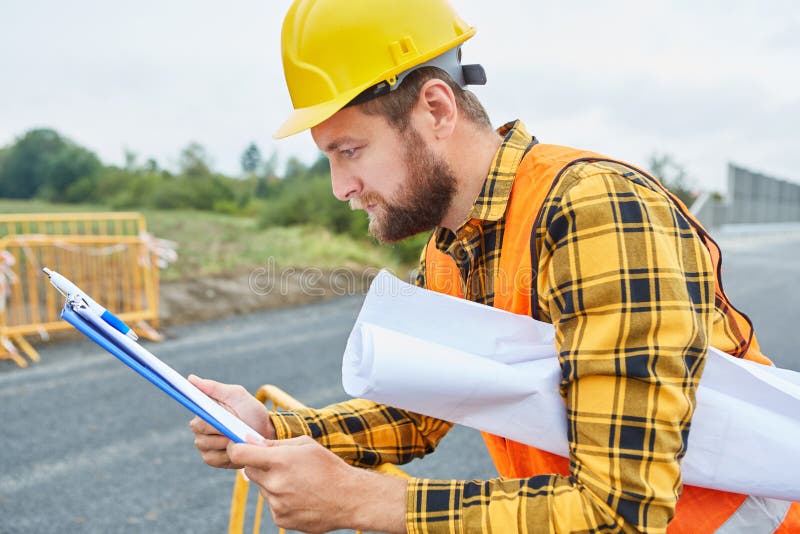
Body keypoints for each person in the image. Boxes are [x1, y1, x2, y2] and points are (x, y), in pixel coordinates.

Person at [188, 1, 800, 532]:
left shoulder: (596, 212)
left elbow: (621, 513)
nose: (340, 187)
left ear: (435, 109)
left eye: (350, 151)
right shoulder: (451, 245)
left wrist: (364, 500)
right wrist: (277, 427)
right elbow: (421, 411)